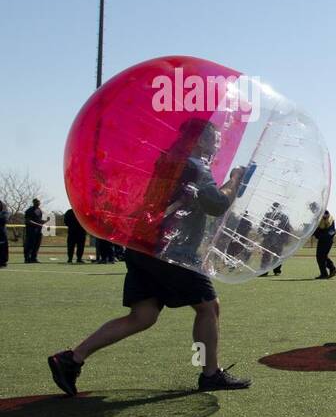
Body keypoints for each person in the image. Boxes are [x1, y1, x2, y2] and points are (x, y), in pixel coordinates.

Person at [47, 119, 252, 395]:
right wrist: (236, 181)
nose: (218, 144)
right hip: (171, 252)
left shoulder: (168, 162)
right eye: (214, 138)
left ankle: (71, 359)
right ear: (200, 140)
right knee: (208, 307)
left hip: (143, 246)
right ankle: (210, 373)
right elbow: (215, 204)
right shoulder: (194, 166)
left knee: (142, 316)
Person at [313, 210, 336, 278]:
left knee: (320, 257)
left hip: (324, 238)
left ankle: (325, 273)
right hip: (328, 239)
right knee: (323, 256)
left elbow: (321, 226)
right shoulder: (327, 215)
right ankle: (332, 269)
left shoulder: (323, 215)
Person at [23, 198, 45, 263]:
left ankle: (34, 258)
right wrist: (38, 224)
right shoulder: (29, 210)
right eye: (37, 201)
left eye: (39, 202)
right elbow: (28, 220)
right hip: (31, 230)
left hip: (38, 230)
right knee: (30, 244)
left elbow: (39, 221)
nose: (39, 203)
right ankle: (27, 258)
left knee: (37, 244)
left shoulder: (39, 210)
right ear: (34, 202)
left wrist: (46, 221)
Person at [0, 198, 9, 268]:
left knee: (3, 247)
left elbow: (4, 220)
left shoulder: (4, 212)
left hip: (1, 233)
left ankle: (3, 262)